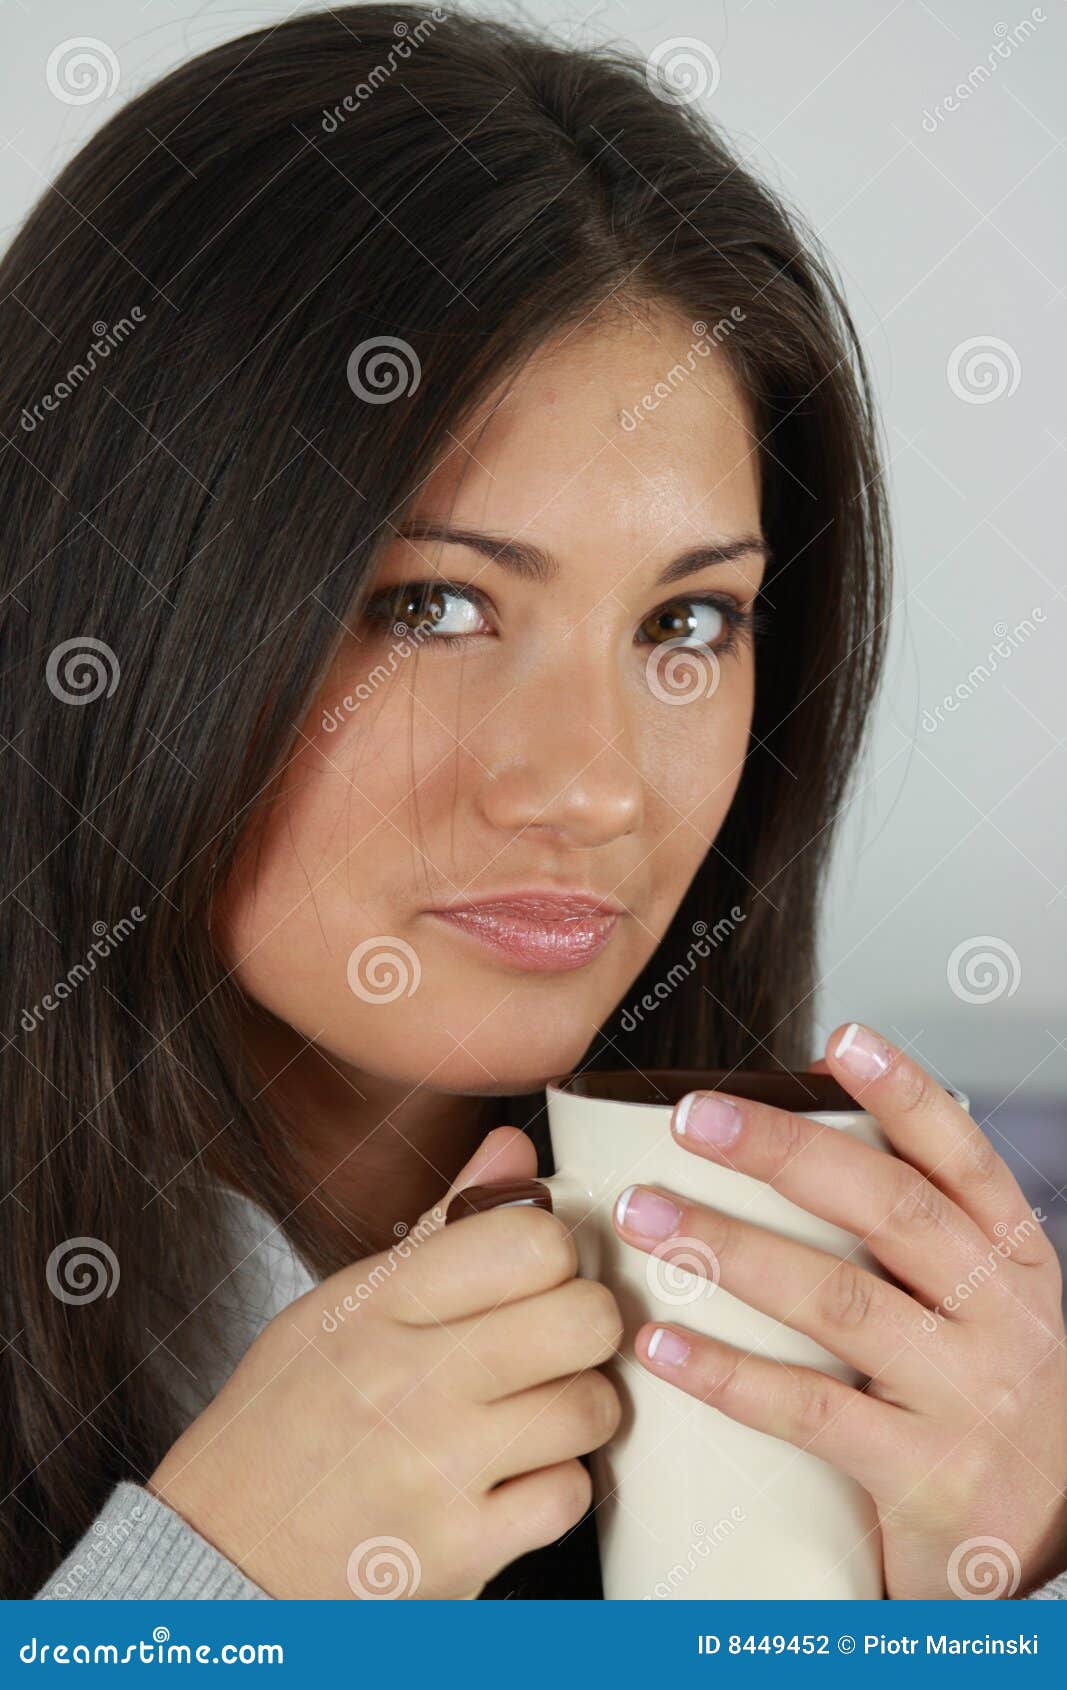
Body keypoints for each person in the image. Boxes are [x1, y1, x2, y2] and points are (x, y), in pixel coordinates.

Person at [3, 5, 1063, 1602]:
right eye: (428, 607)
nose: (589, 782)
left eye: (685, 623)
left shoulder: (945, 1353)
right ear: (118, 600)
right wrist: (194, 1597)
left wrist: (1006, 1597)